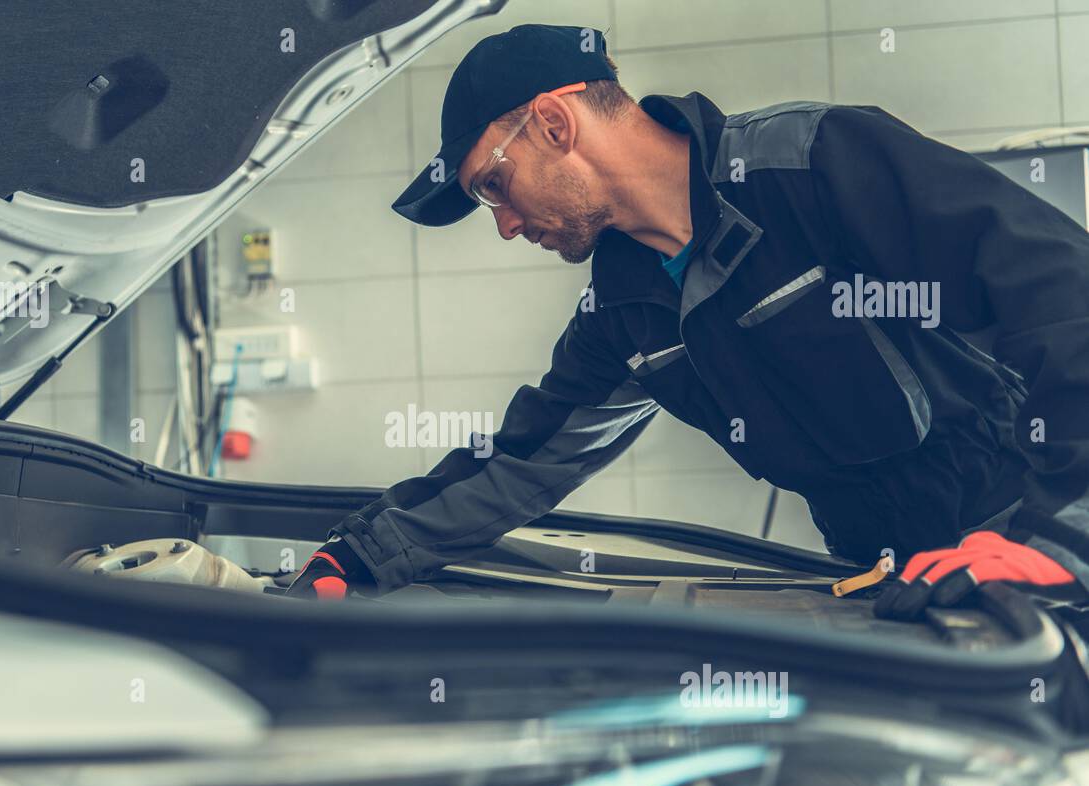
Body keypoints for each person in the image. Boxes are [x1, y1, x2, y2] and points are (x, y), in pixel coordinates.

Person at [289, 23, 1089, 620]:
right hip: (895, 583)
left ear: (556, 125)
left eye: (492, 188)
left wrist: (1059, 542)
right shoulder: (624, 315)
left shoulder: (811, 166)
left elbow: (1063, 291)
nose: (503, 225)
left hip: (1026, 544)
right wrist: (358, 555)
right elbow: (522, 461)